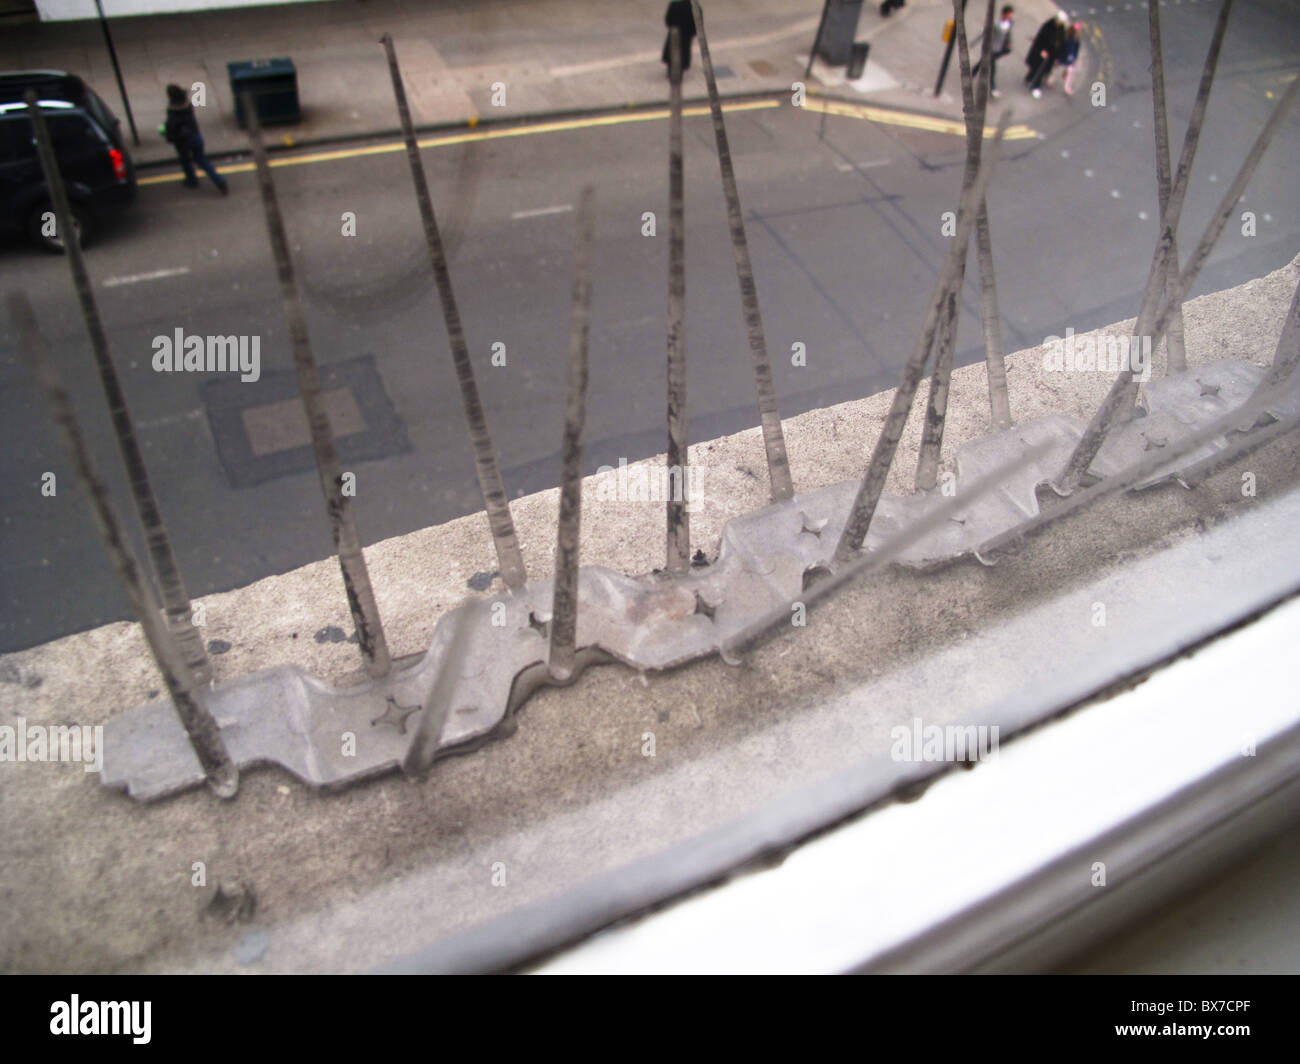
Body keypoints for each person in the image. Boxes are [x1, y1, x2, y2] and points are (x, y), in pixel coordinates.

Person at [162, 83, 228, 194]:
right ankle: (219, 180)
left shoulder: (173, 111)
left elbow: (172, 126)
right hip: (196, 136)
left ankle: (192, 181)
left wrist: (168, 134)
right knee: (201, 160)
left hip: (183, 141)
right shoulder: (187, 104)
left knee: (185, 160)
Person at [973, 6, 1015, 98]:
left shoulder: (1010, 23)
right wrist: (975, 42)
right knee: (992, 67)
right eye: (1009, 15)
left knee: (984, 61)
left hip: (1000, 48)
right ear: (1003, 14)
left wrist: (1009, 42)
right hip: (990, 48)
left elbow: (1008, 33)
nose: (1010, 17)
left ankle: (973, 71)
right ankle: (993, 88)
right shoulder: (995, 24)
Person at [1025, 10, 1068, 98]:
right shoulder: (1048, 26)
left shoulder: (1062, 28)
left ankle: (1030, 78)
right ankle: (1035, 86)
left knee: (1042, 70)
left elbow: (1062, 40)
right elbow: (1040, 39)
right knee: (1039, 69)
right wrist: (1042, 50)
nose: (1059, 24)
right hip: (1042, 52)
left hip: (1052, 54)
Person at [662, 0, 696, 76]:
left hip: (674, 33)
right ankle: (680, 70)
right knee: (684, 52)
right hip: (687, 35)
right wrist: (692, 33)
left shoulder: (674, 5)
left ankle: (671, 69)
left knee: (672, 51)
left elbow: (668, 20)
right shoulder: (694, 7)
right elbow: (696, 25)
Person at [1058, 21, 1082, 96]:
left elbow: (1076, 49)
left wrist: (1074, 57)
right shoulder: (1070, 36)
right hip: (1064, 56)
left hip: (1067, 57)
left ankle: (1067, 87)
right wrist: (1073, 57)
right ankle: (1066, 87)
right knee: (1069, 71)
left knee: (1070, 71)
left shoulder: (1075, 37)